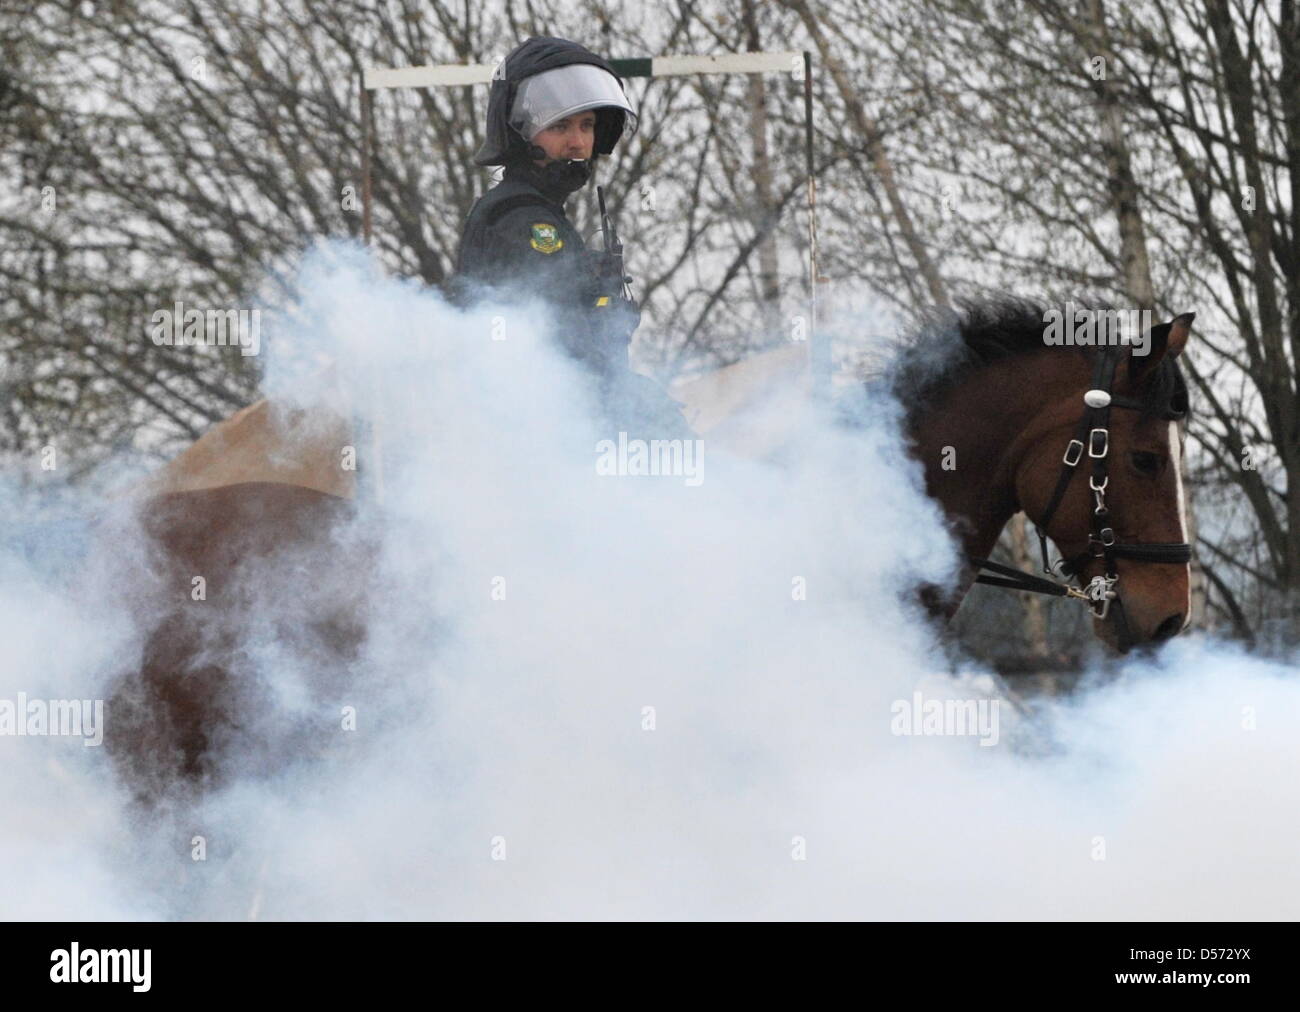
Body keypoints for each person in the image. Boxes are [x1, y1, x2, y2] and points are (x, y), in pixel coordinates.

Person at [451, 35, 693, 438]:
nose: (578, 143)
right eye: (559, 126)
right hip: (541, 438)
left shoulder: (527, 210)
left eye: (587, 125)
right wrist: (641, 405)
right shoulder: (526, 221)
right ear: (521, 134)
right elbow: (564, 352)